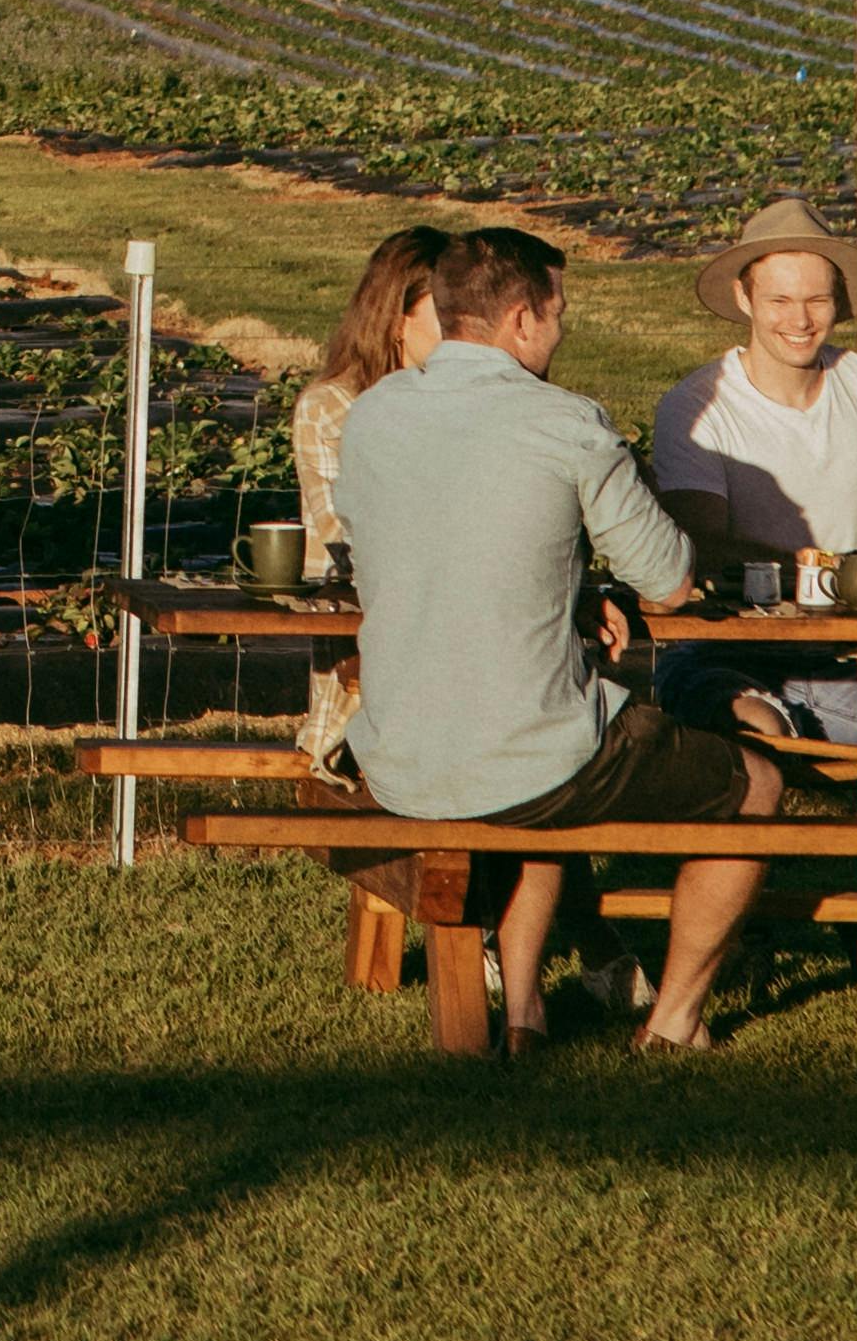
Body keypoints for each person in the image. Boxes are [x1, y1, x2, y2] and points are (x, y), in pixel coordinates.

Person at [335, 225, 781, 1052]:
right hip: (529, 758)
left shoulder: (372, 416)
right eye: (557, 311)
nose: (561, 328)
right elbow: (669, 581)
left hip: (395, 754)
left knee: (550, 742)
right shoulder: (566, 423)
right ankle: (675, 1019)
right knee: (750, 782)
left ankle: (526, 1014)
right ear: (518, 319)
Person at [647, 201, 857, 773]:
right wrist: (840, 578)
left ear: (839, 303)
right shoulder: (698, 405)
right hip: (734, 651)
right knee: (757, 731)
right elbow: (701, 542)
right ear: (744, 298)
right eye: (779, 300)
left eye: (816, 301)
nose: (799, 320)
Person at [283, 226, 447, 776]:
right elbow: (342, 540)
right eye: (447, 311)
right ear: (397, 318)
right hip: (372, 674)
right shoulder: (331, 408)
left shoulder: (482, 404)